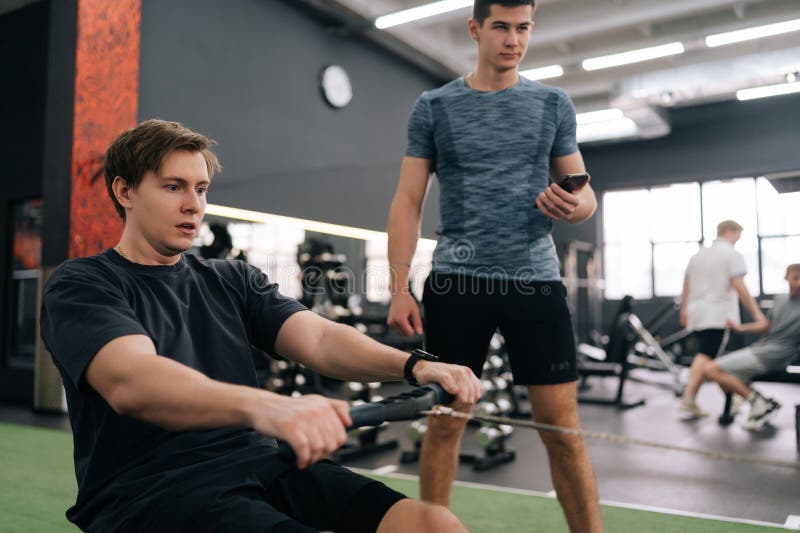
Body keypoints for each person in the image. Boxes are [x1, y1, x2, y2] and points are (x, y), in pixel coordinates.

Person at [40, 119, 483, 533]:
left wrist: (417, 367)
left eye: (201, 189)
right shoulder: (83, 283)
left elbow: (322, 339)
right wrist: (268, 408)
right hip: (149, 488)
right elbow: (133, 381)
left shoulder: (230, 279)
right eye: (173, 187)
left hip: (257, 461)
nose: (193, 205)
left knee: (433, 524)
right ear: (125, 191)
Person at [385, 1, 601, 531]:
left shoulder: (553, 103)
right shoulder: (434, 107)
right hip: (458, 282)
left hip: (535, 280)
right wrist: (398, 287)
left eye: (523, 27)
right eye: (501, 27)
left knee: (561, 429)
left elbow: (586, 194)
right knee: (446, 420)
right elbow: (408, 200)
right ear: (475, 28)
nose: (513, 39)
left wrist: (575, 205)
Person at [681, 264, 800, 430]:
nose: (799, 283)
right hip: (762, 348)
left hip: (778, 355)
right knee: (718, 370)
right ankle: (760, 402)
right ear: (786, 277)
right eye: (796, 278)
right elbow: (767, 325)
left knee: (710, 369)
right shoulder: (780, 300)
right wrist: (740, 328)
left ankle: (758, 402)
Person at [678, 220, 766, 418]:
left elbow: (686, 285)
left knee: (711, 357)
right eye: (738, 235)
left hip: (697, 312)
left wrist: (683, 310)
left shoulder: (697, 255)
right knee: (706, 356)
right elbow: (739, 285)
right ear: (730, 231)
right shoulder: (731, 254)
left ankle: (730, 397)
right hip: (716, 314)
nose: (737, 240)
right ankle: (688, 397)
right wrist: (756, 314)